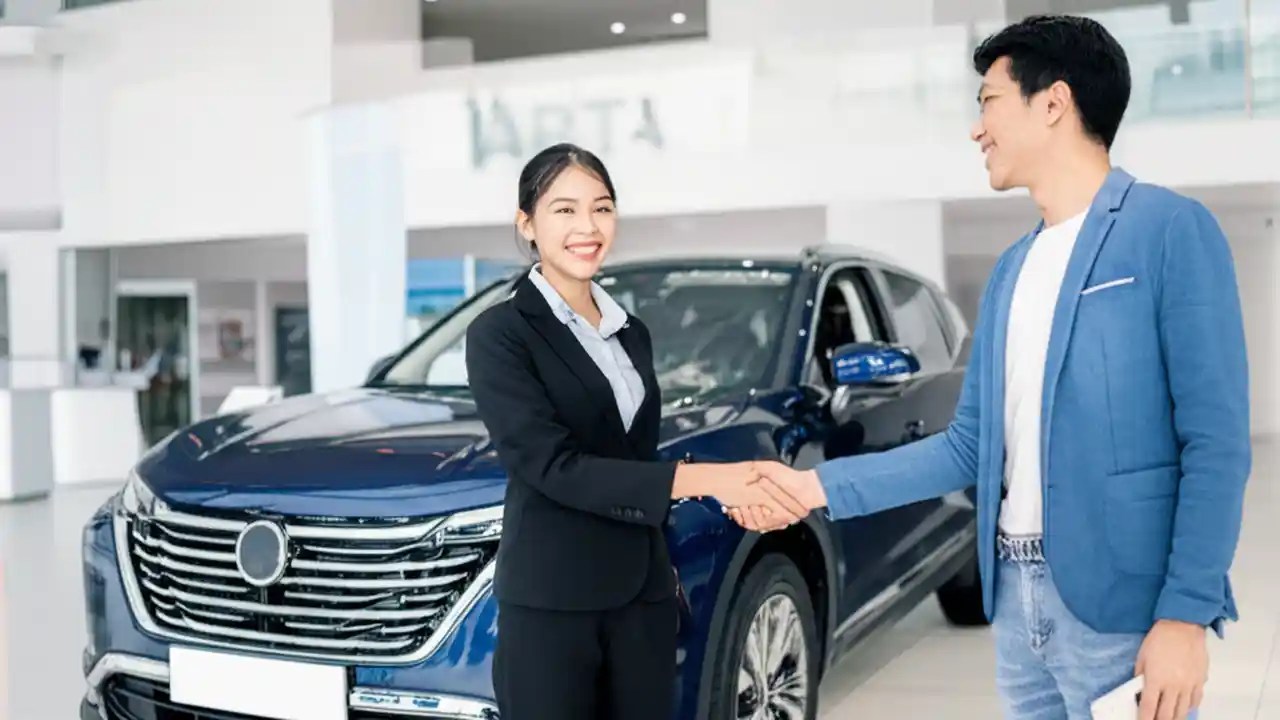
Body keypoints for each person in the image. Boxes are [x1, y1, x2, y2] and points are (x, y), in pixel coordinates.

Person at [735, 14, 1249, 720]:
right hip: (1017, 601)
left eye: (988, 101)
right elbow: (967, 448)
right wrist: (810, 489)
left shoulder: (1168, 230)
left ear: (1054, 103)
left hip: (1121, 607)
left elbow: (1215, 443)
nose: (978, 128)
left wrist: (1187, 616)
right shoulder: (1012, 271)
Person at [464, 143, 806, 720]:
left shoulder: (631, 333)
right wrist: (709, 479)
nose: (587, 227)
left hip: (642, 594)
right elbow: (551, 466)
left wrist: (730, 495)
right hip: (555, 601)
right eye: (564, 210)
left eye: (602, 208)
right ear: (527, 223)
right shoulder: (500, 333)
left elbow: (632, 456)